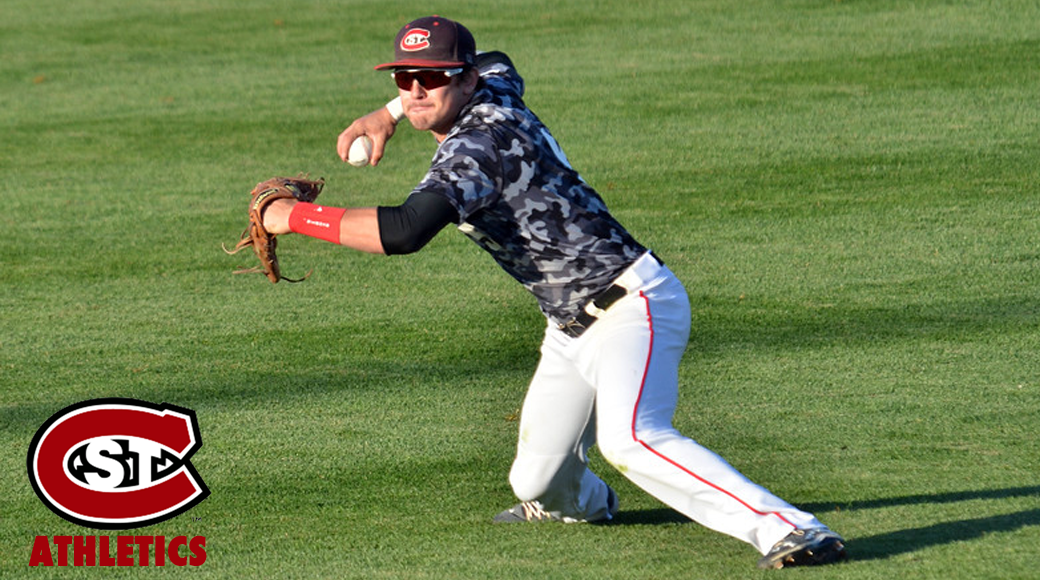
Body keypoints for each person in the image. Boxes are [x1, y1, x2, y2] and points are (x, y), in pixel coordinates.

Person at [261, 15, 847, 570]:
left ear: (462, 80)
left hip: (633, 308)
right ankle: (592, 504)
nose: (417, 89)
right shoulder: (495, 88)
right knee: (536, 482)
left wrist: (296, 216)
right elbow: (498, 58)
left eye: (433, 77)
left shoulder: (476, 147)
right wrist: (390, 111)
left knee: (633, 438)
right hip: (568, 327)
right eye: (405, 77)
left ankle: (789, 528)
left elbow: (406, 230)